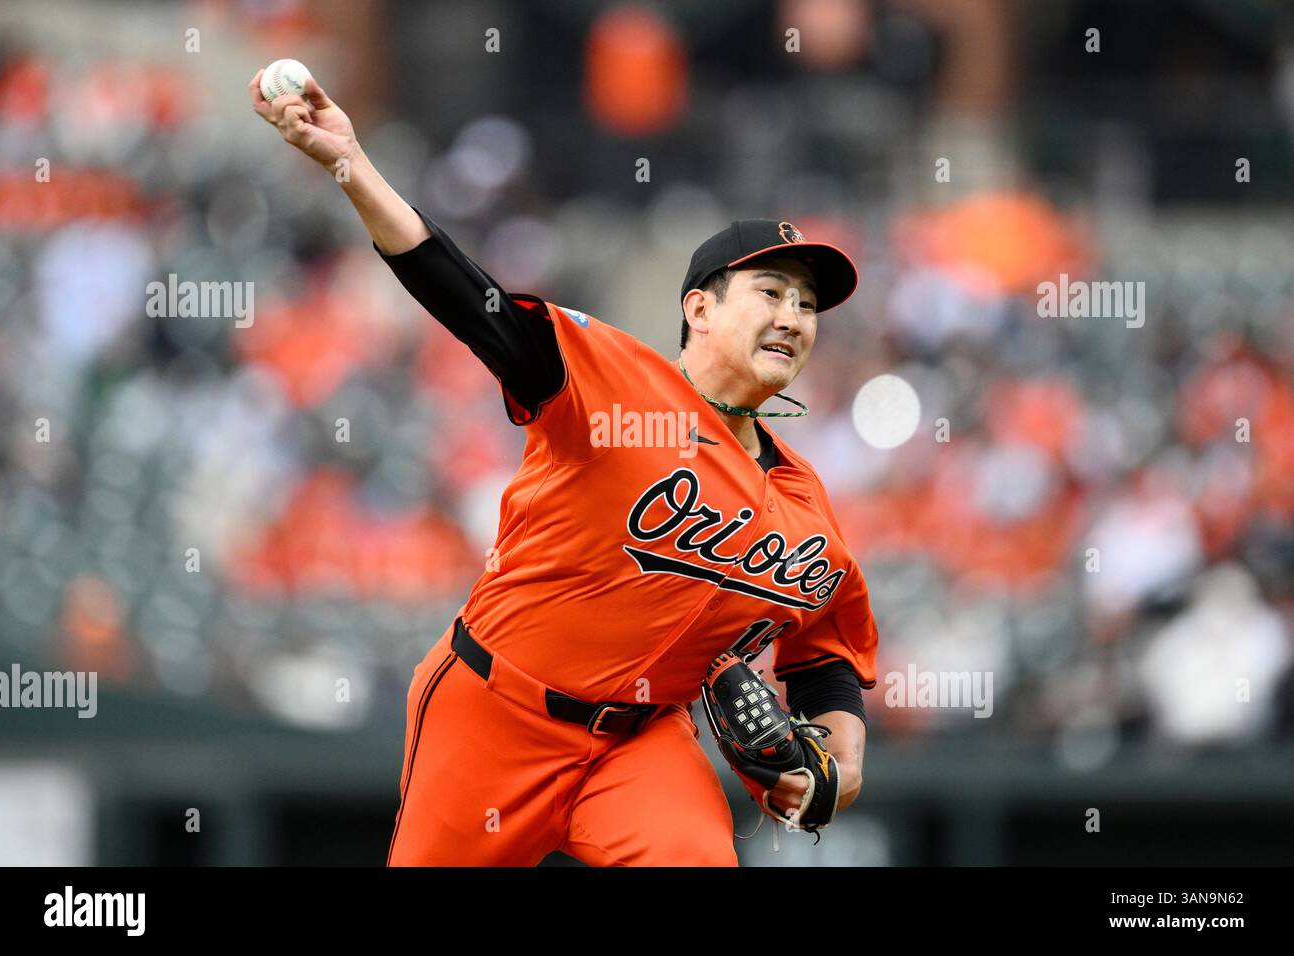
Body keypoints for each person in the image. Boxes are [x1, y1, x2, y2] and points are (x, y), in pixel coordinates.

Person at [250, 70, 878, 866]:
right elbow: (469, 301)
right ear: (700, 308)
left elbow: (825, 660)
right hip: (493, 714)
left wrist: (843, 761)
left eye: (808, 305)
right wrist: (352, 166)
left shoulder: (804, 506)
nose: (793, 316)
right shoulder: (613, 382)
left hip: (641, 746)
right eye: (772, 290)